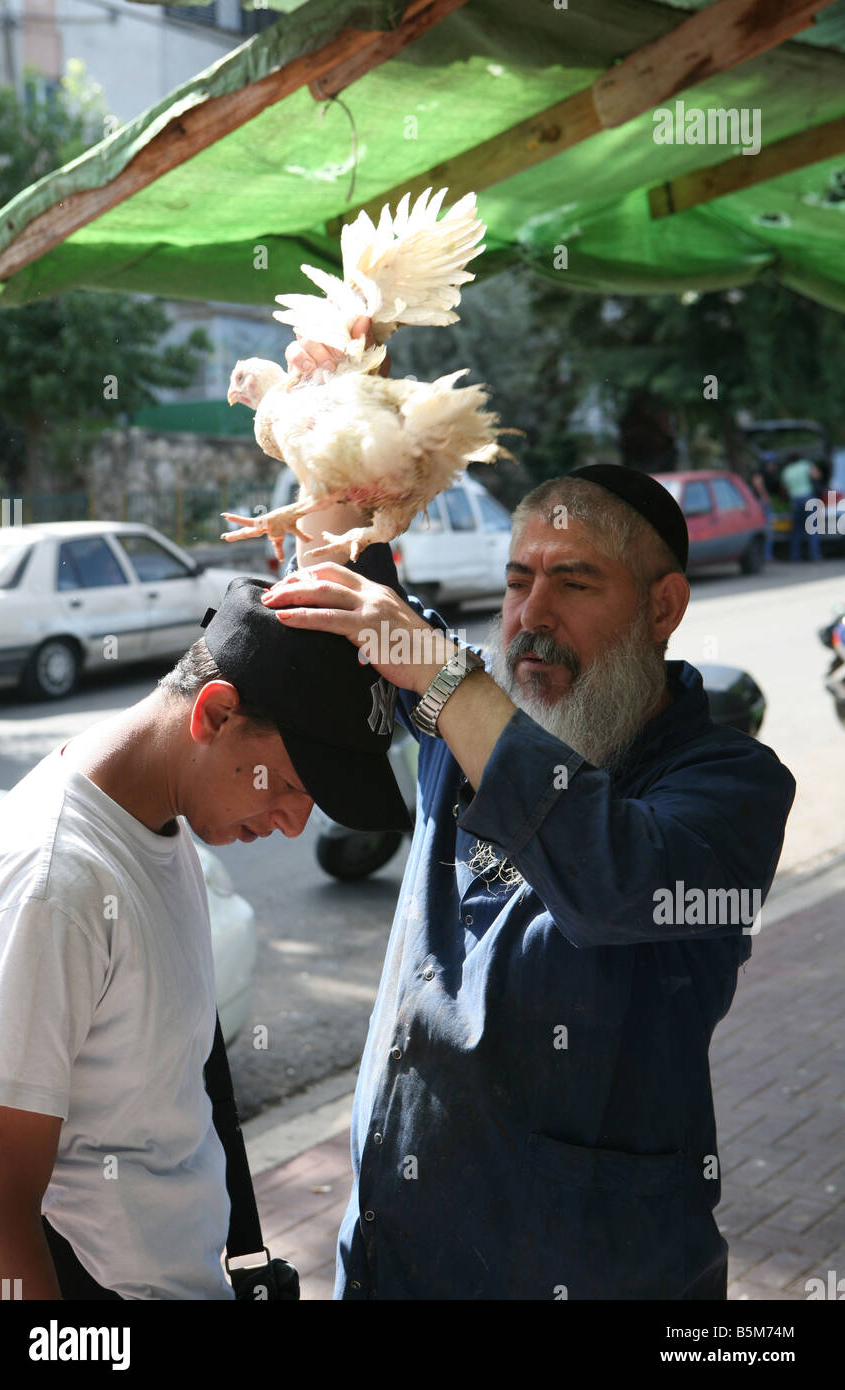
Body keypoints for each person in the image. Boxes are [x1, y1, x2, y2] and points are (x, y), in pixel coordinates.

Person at [266, 365, 796, 1297]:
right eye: (518, 581)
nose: (531, 618)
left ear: (664, 606)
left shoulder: (731, 788)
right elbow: (351, 587)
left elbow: (614, 878)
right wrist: (337, 418)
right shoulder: (465, 721)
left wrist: (437, 675)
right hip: (387, 1268)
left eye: (573, 583)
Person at [0, 576, 408, 1300]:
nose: (295, 825)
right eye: (292, 785)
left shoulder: (159, 820)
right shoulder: (58, 882)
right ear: (214, 713)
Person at [780, 448, 823, 562]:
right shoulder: (805, 465)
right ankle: (814, 555)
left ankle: (795, 557)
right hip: (808, 498)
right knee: (812, 528)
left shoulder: (786, 470)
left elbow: (784, 488)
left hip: (795, 500)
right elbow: (816, 475)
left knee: (797, 530)